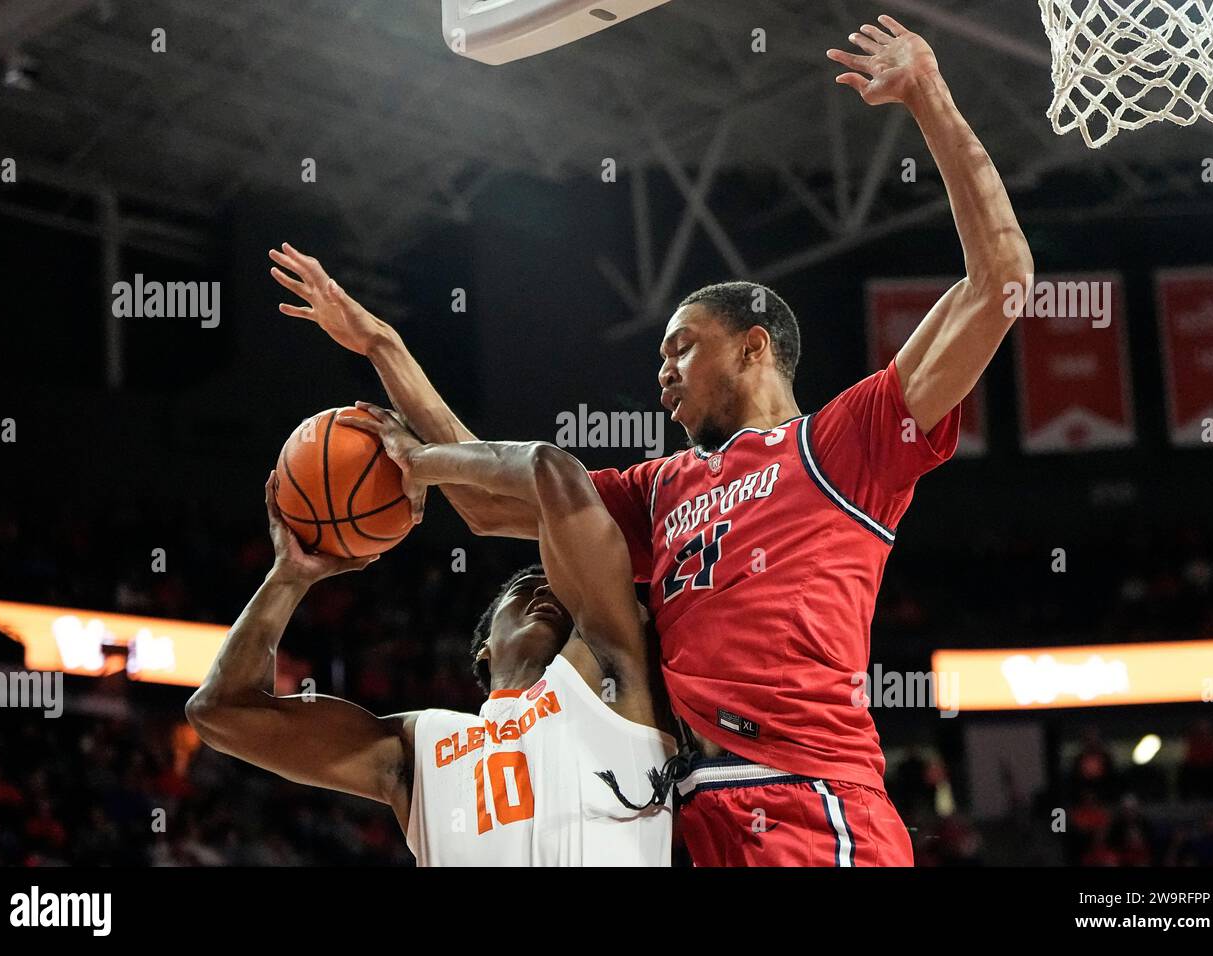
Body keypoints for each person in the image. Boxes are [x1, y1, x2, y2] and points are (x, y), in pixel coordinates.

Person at [269, 15, 1031, 866]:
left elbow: (1000, 280)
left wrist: (928, 95)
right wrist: (386, 348)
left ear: (755, 345)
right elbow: (486, 503)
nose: (662, 373)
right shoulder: (662, 488)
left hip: (806, 799)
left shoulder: (843, 443)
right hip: (686, 819)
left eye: (680, 346)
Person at [186, 422, 676, 865]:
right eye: (523, 589)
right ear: (484, 646)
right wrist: (289, 577)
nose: (546, 590)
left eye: (557, 590)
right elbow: (221, 711)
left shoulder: (607, 676)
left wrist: (422, 463)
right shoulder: (422, 746)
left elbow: (554, 472)